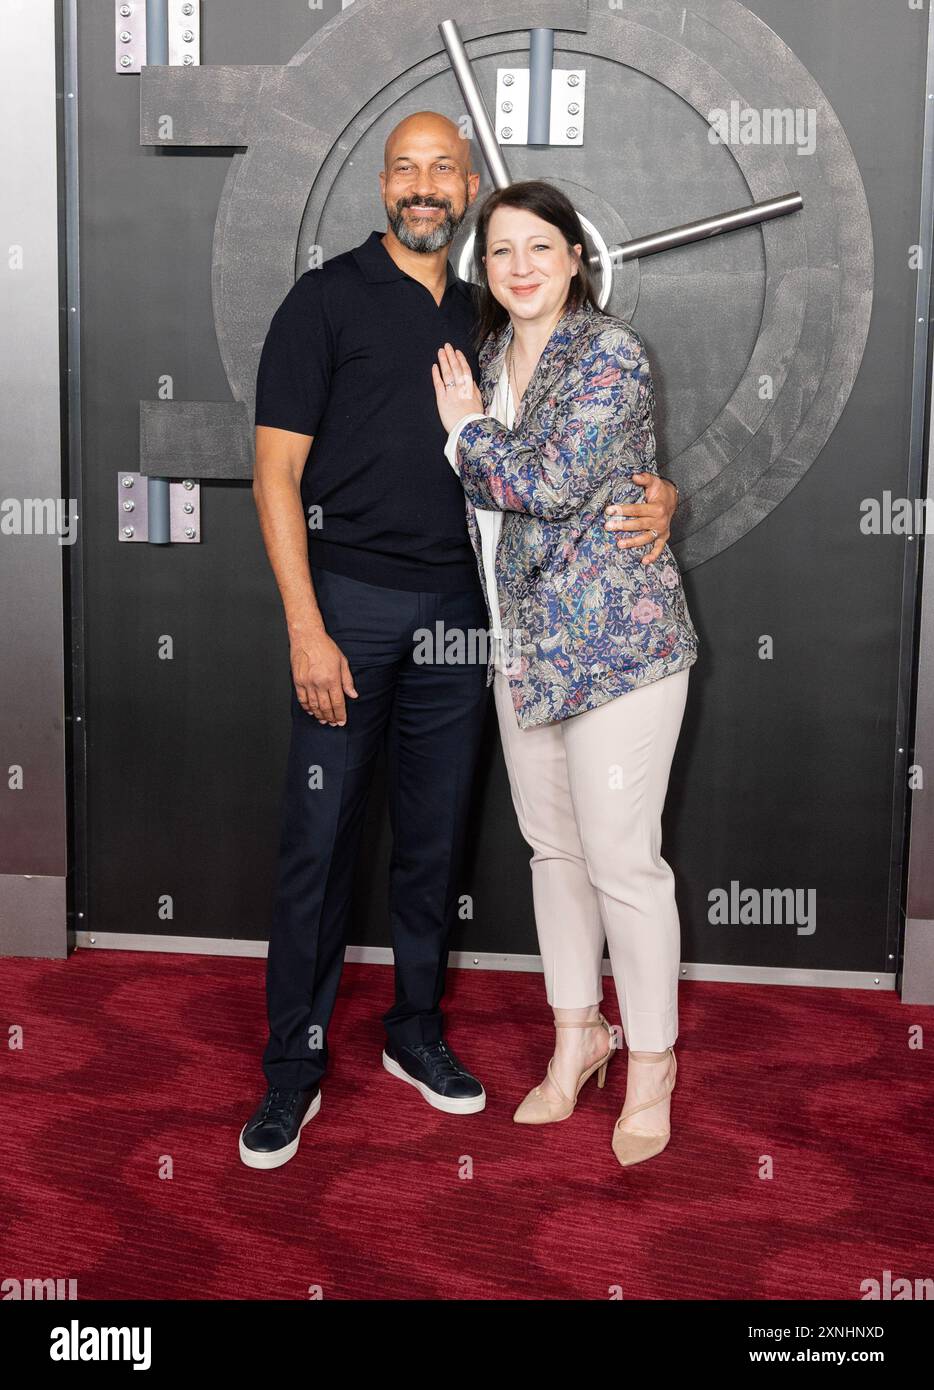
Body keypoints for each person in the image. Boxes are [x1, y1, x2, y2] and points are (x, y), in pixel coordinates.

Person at [241, 114, 680, 1169]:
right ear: (383, 184)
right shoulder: (325, 300)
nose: (425, 186)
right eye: (407, 169)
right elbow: (274, 474)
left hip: (475, 624)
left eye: (445, 170)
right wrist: (305, 625)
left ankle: (416, 1033)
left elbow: (579, 457)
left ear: (468, 188)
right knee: (321, 847)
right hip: (348, 604)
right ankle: (291, 1074)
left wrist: (665, 496)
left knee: (435, 843)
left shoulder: (487, 322)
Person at [434, 180, 698, 1167]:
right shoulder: (490, 357)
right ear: (484, 270)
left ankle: (654, 1067)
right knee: (554, 854)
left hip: (618, 648)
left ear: (575, 257)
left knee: (624, 865)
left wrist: (465, 431)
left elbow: (541, 480)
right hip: (523, 646)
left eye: (539, 246)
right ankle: (577, 1039)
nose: (521, 266)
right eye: (500, 251)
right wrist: (471, 428)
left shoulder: (609, 352)